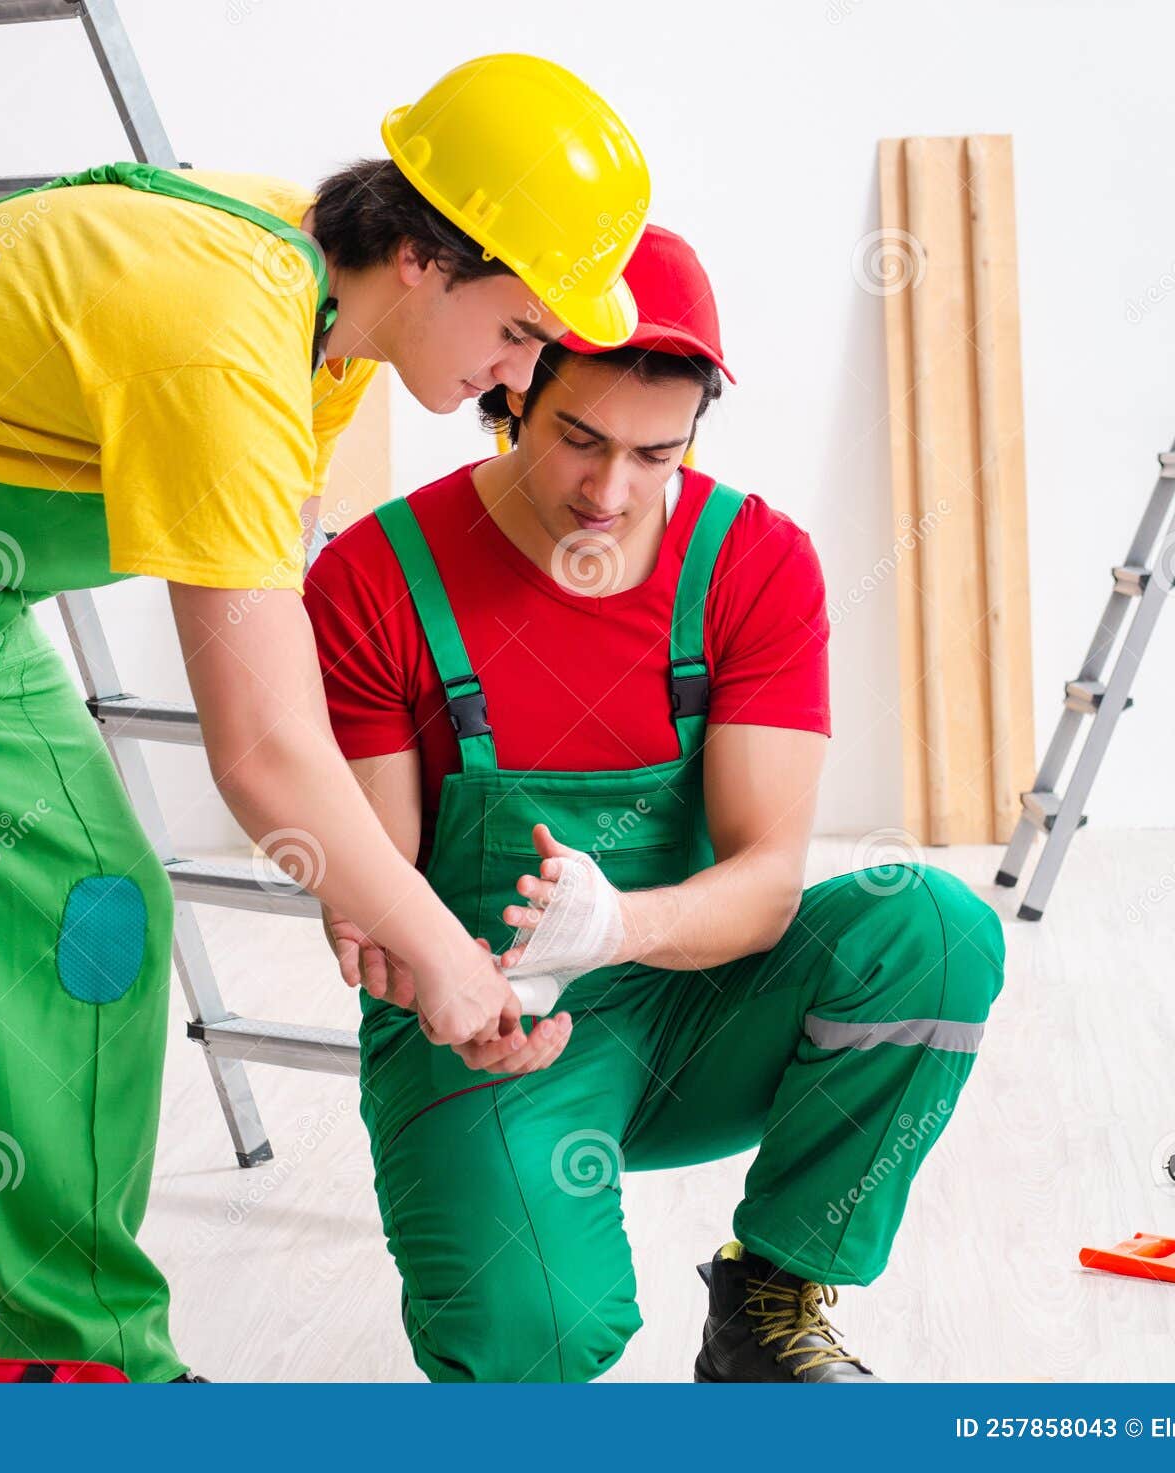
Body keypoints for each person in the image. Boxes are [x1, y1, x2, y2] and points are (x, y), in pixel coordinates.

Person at [0, 53, 650, 1384]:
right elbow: (258, 749)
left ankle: (94, 1358)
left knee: (100, 904)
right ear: (425, 255)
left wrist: (361, 892)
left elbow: (274, 645)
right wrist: (438, 946)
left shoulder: (324, 327)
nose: (517, 376)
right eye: (522, 329)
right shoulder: (224, 332)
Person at [303, 224, 1007, 1383]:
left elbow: (766, 883)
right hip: (479, 1029)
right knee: (533, 1338)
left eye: (654, 453)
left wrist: (616, 926)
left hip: (694, 1005)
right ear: (513, 386)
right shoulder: (377, 578)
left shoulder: (752, 563)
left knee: (930, 928)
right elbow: (376, 892)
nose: (610, 491)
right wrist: (462, 993)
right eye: (579, 439)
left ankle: (767, 1303)